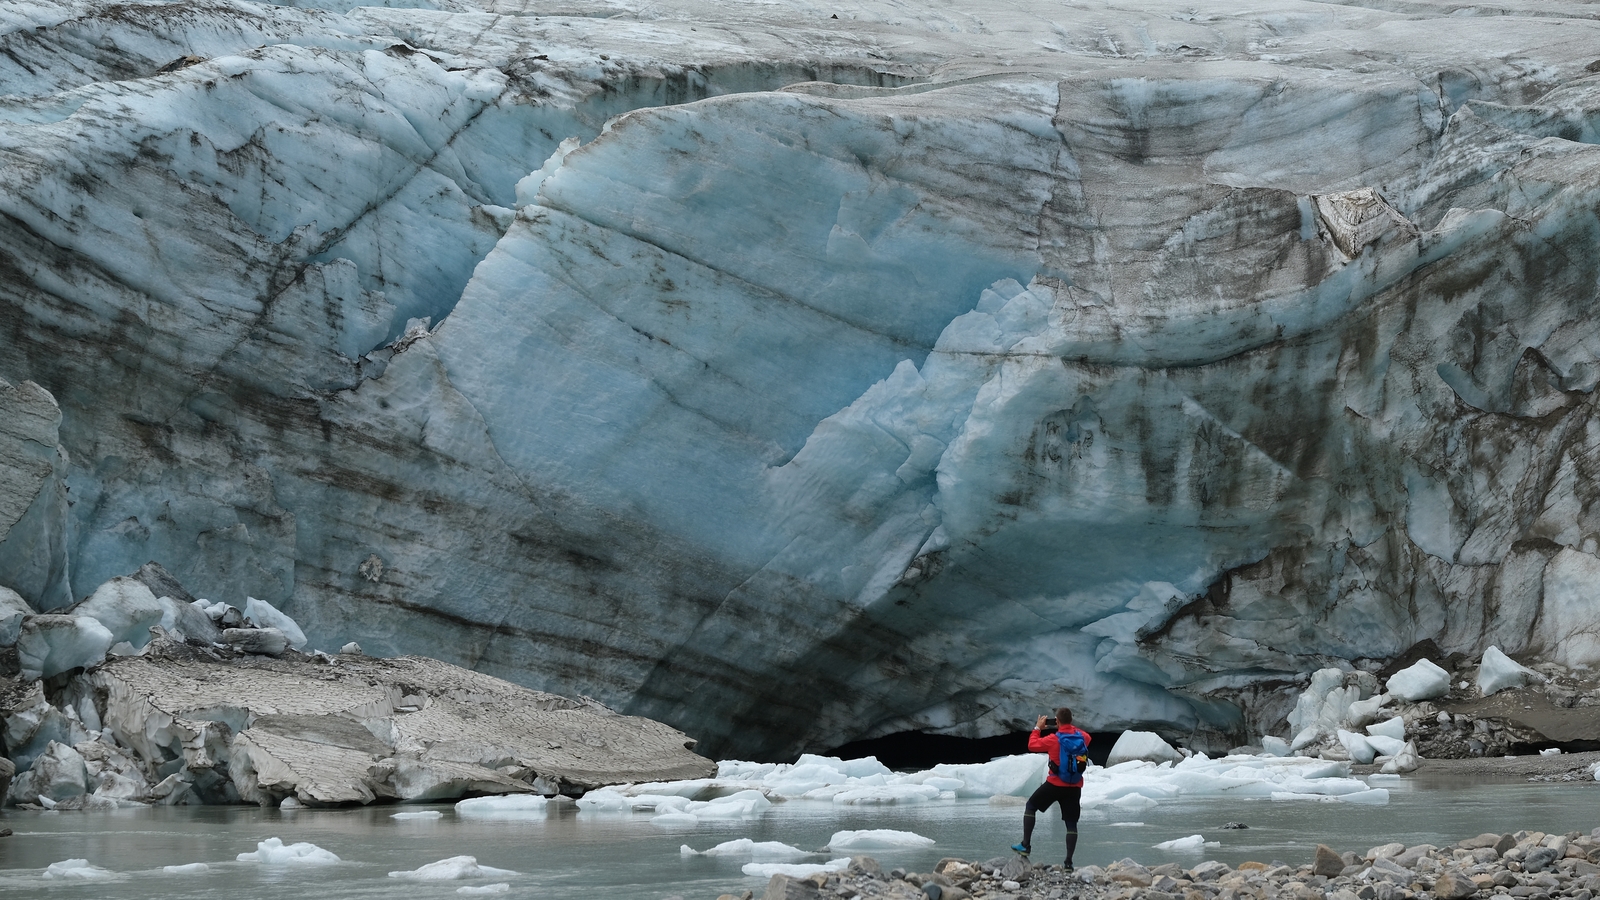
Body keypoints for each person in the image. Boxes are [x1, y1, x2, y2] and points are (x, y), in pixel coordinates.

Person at [1012, 706, 1090, 870]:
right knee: (1071, 824)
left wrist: (1037, 728)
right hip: (1074, 786)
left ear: (1057, 721)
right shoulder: (1081, 737)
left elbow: (1032, 745)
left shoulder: (1054, 739)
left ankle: (1026, 845)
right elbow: (1087, 737)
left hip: (1055, 784)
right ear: (1071, 721)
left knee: (1031, 806)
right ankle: (1068, 863)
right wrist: (1068, 726)